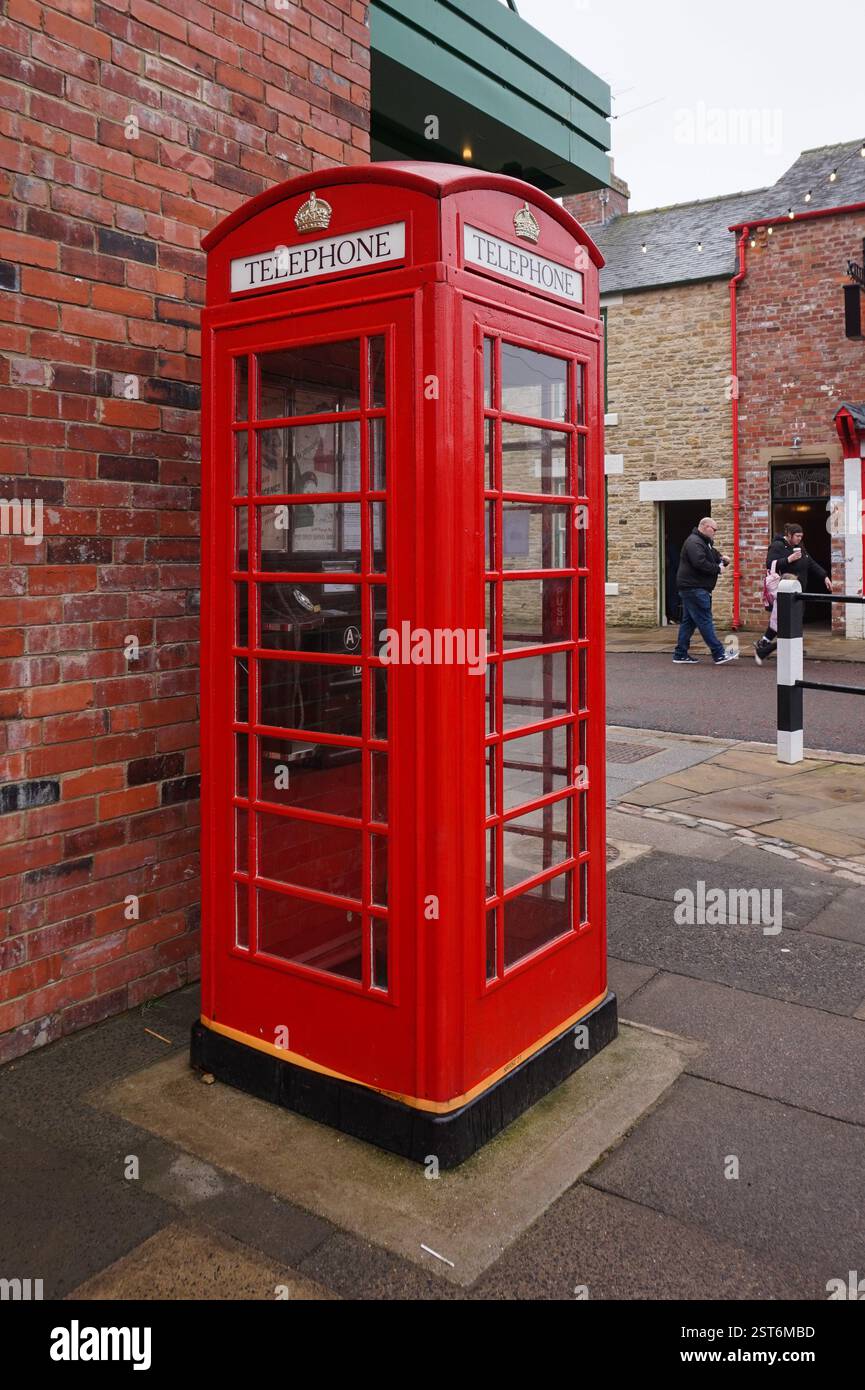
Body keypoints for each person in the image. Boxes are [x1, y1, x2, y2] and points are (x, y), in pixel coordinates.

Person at [753, 523, 833, 663]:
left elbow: (811, 563)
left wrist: (824, 576)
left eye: (801, 536)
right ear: (789, 535)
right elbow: (769, 564)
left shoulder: (800, 547)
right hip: (785, 590)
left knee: (785, 621)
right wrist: (789, 559)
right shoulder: (777, 546)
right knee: (788, 623)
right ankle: (770, 648)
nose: (799, 539)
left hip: (799, 591)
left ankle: (764, 644)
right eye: (797, 536)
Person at [672, 517, 737, 665]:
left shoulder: (702, 542)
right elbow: (699, 562)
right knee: (705, 620)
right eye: (714, 529)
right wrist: (718, 569)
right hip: (694, 588)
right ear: (705, 527)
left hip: (693, 588)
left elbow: (712, 554)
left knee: (688, 622)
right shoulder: (694, 542)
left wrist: (722, 558)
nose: (715, 532)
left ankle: (680, 654)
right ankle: (719, 654)